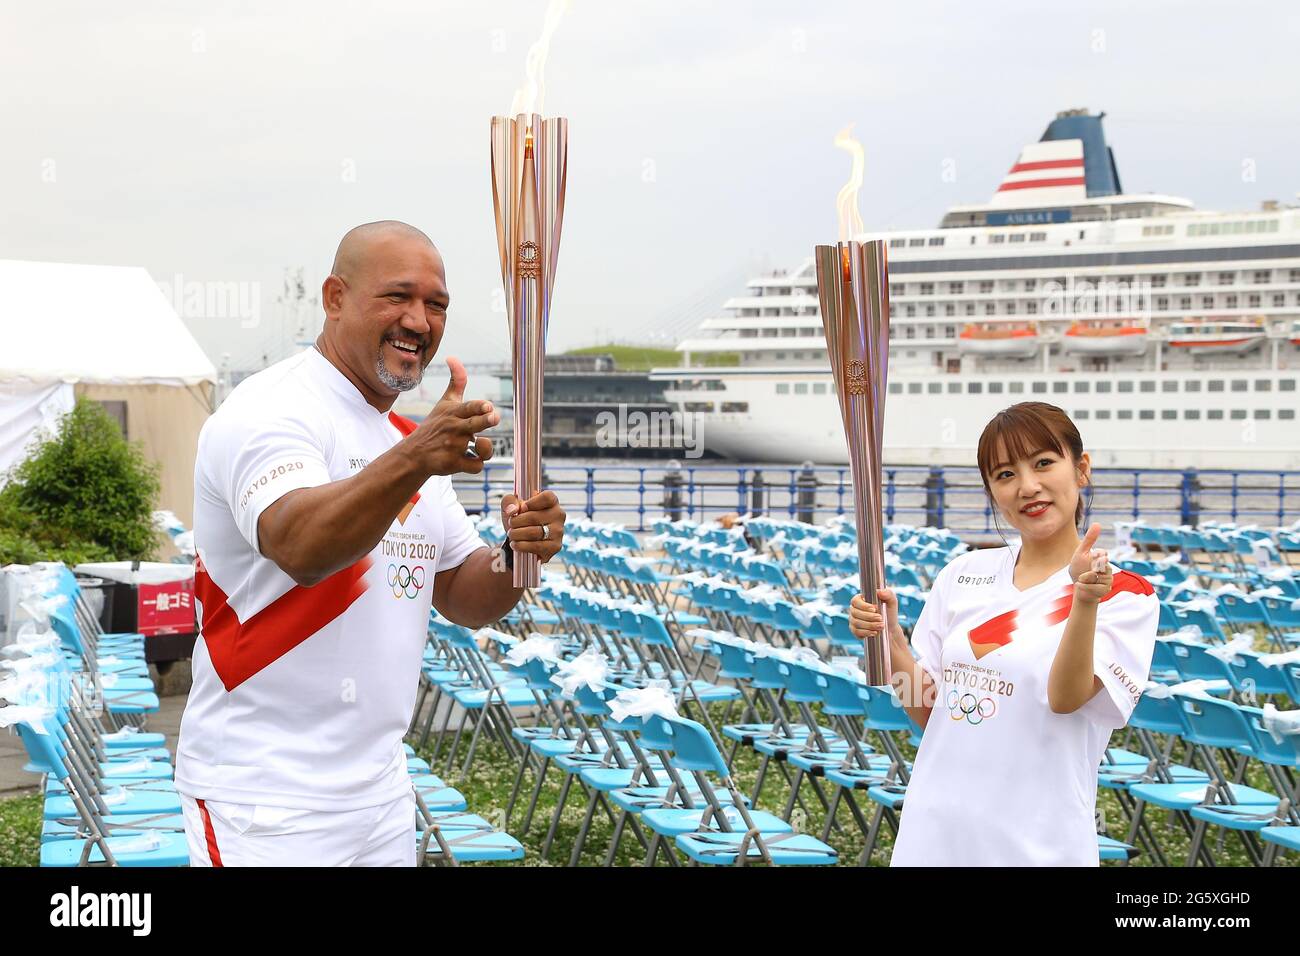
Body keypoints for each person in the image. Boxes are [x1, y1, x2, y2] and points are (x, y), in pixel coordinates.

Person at [174, 221, 567, 866]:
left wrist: (517, 555)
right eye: (397, 297)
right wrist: (416, 456)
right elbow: (300, 547)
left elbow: (462, 591)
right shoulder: (271, 412)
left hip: (380, 793)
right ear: (334, 297)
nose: (419, 319)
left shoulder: (404, 440)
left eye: (436, 304)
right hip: (263, 800)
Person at [849, 402, 1157, 866]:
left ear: (1082, 468)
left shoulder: (1124, 594)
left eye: (1044, 463)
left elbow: (1066, 697)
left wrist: (1083, 602)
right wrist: (891, 643)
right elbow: (931, 713)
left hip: (1037, 845)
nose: (1027, 486)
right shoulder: (962, 573)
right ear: (992, 491)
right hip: (934, 834)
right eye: (1005, 474)